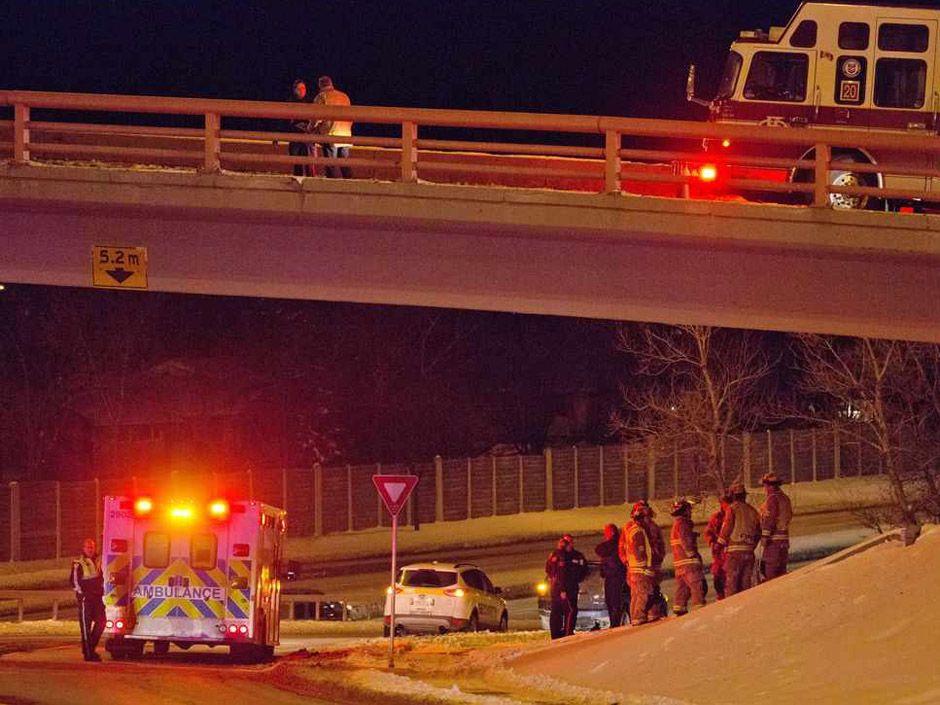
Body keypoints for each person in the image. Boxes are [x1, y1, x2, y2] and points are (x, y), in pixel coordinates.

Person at [717, 482, 762, 597]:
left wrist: (719, 543)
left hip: (734, 553)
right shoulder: (753, 511)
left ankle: (731, 609)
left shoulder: (732, 509)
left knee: (732, 583)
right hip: (748, 552)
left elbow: (727, 527)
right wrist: (751, 545)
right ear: (744, 495)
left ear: (733, 495)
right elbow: (758, 532)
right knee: (745, 584)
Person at [619, 502, 656, 626]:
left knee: (647, 592)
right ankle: (639, 617)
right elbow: (625, 547)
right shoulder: (631, 528)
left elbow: (656, 545)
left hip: (647, 565)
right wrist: (630, 562)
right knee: (641, 593)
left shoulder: (651, 526)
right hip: (639, 567)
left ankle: (649, 615)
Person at [544, 534, 588, 638]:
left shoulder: (576, 555)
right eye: (565, 542)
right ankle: (563, 633)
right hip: (561, 587)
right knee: (565, 610)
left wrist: (577, 579)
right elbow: (551, 570)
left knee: (565, 610)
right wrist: (562, 588)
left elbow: (584, 569)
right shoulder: (559, 556)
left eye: (569, 542)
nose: (567, 544)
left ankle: (563, 632)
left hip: (569, 586)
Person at [669, 499, 706, 615]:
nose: (691, 512)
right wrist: (692, 554)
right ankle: (699, 610)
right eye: (689, 510)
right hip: (689, 563)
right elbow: (685, 540)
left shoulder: (676, 524)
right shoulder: (683, 523)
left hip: (679, 564)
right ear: (684, 511)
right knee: (697, 586)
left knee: (682, 588)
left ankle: (679, 608)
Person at [71, 537, 105, 662]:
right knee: (86, 627)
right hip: (86, 599)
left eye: (92, 547)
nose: (90, 549)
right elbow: (74, 581)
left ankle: (89, 648)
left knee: (102, 622)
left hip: (97, 598)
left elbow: (101, 577)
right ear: (83, 548)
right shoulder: (79, 563)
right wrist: (82, 595)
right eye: (88, 547)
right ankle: (89, 654)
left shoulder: (97, 561)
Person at [313, 76, 353, 178]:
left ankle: (333, 187)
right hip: (345, 134)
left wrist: (310, 127)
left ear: (320, 85)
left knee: (331, 165)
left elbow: (316, 117)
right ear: (331, 84)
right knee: (345, 164)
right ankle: (350, 186)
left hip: (330, 134)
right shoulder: (344, 96)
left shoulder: (322, 96)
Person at [759, 472, 793, 580]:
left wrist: (764, 537)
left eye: (765, 485)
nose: (764, 488)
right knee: (781, 573)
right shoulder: (785, 499)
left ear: (769, 486)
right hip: (784, 541)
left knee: (770, 573)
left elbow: (770, 519)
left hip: (773, 542)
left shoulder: (772, 499)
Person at [594, 523, 627, 628]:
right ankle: (615, 622)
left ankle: (615, 623)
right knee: (614, 601)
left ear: (612, 532)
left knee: (614, 602)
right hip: (613, 575)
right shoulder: (620, 542)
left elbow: (599, 549)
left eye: (606, 532)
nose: (605, 535)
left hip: (615, 576)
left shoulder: (615, 543)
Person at [641, 501, 668, 621]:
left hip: (651, 564)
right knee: (649, 591)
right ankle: (650, 613)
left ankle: (652, 614)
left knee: (651, 590)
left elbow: (659, 545)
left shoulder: (651, 527)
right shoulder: (644, 527)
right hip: (647, 565)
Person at [703, 492, 731, 599]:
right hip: (719, 554)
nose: (726, 506)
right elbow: (708, 532)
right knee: (718, 577)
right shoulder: (717, 518)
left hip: (731, 553)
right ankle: (720, 597)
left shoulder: (734, 515)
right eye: (724, 503)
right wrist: (712, 543)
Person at [287, 79, 314, 177]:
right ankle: (297, 180)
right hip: (295, 135)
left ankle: (310, 181)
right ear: (294, 90)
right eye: (300, 88)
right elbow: (285, 119)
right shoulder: (290, 101)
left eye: (304, 88)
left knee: (309, 161)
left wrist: (307, 125)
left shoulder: (311, 101)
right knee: (296, 161)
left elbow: (315, 118)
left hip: (307, 135)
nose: (302, 90)